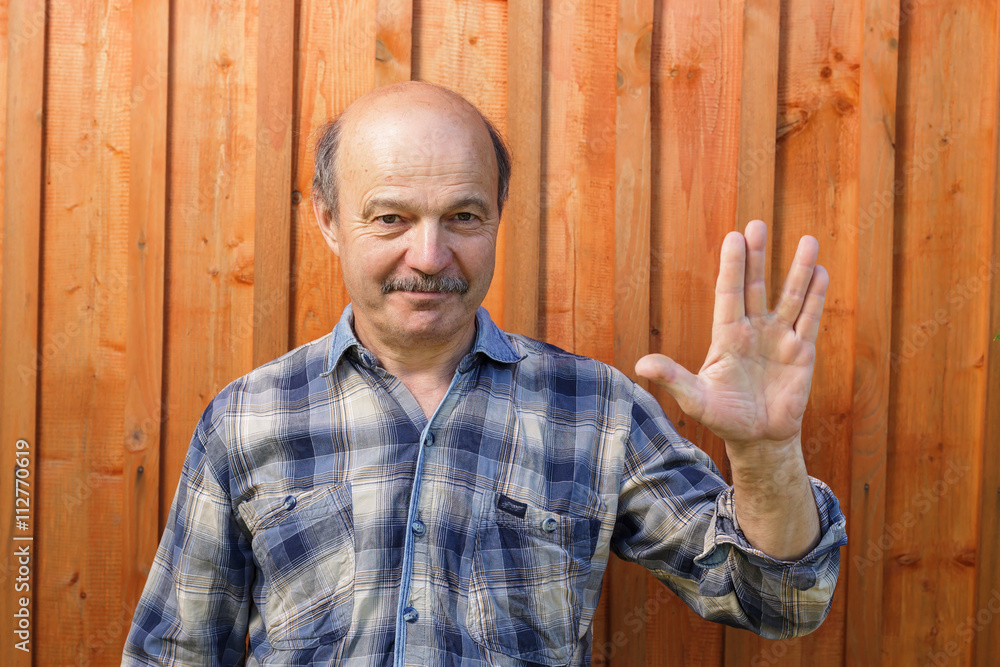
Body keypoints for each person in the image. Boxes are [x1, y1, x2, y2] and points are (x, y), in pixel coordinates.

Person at [122, 81, 846, 666]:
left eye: (463, 216)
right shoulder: (248, 418)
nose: (431, 255)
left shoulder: (594, 410)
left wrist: (765, 454)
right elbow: (173, 653)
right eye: (391, 219)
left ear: (498, 214)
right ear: (329, 219)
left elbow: (776, 601)